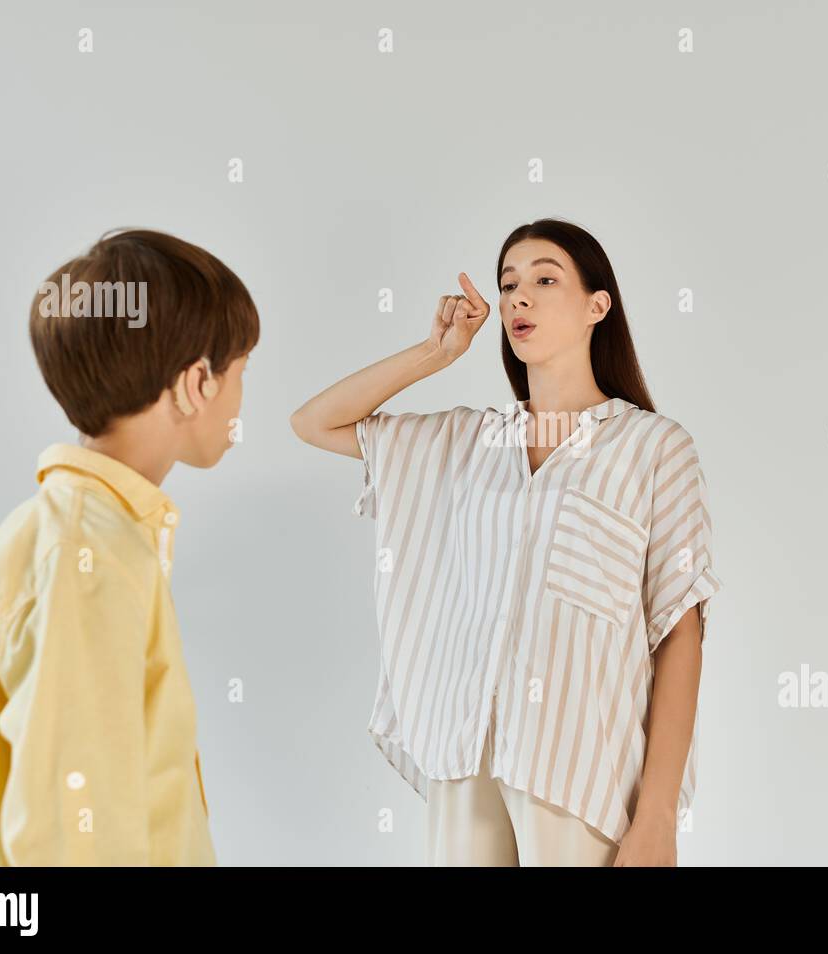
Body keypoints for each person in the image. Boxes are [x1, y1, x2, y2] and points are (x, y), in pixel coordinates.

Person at [291, 218, 721, 866]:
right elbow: (313, 422)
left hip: (581, 777)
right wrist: (435, 354)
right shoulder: (463, 442)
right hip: (465, 765)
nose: (519, 298)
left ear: (596, 306)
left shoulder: (654, 449)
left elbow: (680, 634)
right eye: (508, 284)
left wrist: (657, 816)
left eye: (545, 279)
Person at [0, 229, 259, 865]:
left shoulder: (83, 535)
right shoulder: (90, 557)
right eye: (241, 372)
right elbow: (72, 830)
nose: (242, 396)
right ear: (196, 382)